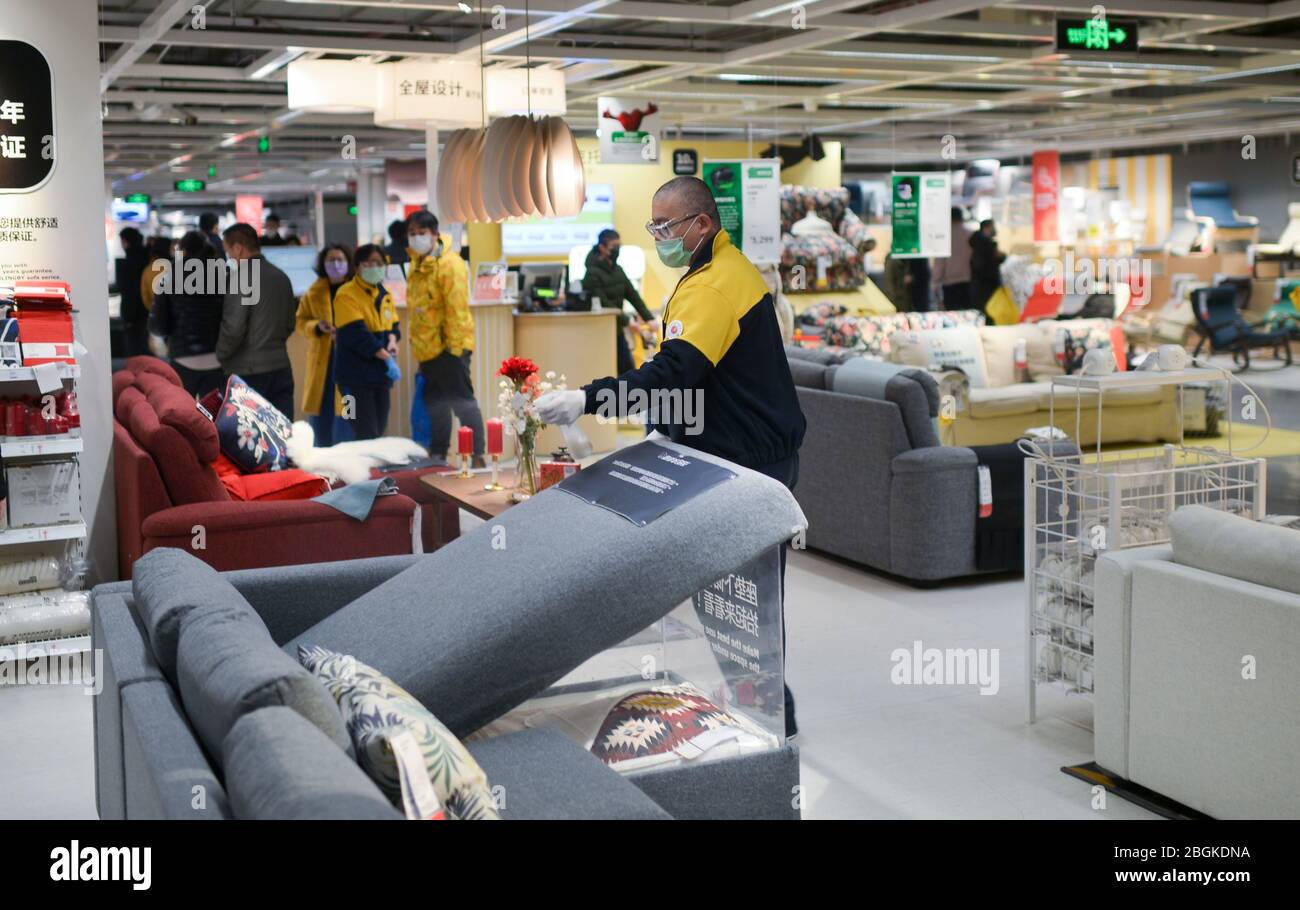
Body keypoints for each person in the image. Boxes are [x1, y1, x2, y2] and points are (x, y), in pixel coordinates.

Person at [534, 176, 806, 738]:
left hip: (747, 466)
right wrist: (668, 430)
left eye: (666, 225)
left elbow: (675, 371)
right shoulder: (710, 273)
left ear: (701, 224)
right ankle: (753, 710)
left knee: (743, 606)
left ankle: (771, 726)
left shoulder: (716, 285)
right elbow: (699, 379)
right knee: (727, 600)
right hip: (728, 455)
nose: (658, 234)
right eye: (652, 225)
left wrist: (588, 398)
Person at [405, 210, 484, 464]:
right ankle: (439, 453)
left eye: (422, 233)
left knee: (463, 404)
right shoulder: (418, 265)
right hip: (427, 350)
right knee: (435, 405)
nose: (417, 238)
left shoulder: (449, 263)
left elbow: (456, 309)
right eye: (412, 233)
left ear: (435, 234)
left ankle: (478, 454)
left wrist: (455, 349)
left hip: (450, 348)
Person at [216, 223, 298, 416]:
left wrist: (221, 355)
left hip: (247, 373)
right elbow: (289, 324)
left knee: (250, 440)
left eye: (228, 253)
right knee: (282, 435)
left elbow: (233, 328)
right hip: (281, 367)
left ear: (238, 248)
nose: (229, 259)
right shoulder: (281, 277)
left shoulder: (239, 278)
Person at [332, 244, 401, 440]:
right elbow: (357, 334)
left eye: (379, 263)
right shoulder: (346, 294)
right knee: (359, 431)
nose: (374, 267)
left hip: (379, 377)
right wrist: (386, 357)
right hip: (352, 379)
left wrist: (393, 341)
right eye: (368, 262)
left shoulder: (384, 294)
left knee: (378, 430)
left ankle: (374, 471)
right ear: (357, 266)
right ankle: (352, 471)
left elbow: (393, 326)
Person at [148, 231, 225, 398]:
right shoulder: (223, 274)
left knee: (184, 417)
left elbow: (158, 325)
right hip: (218, 357)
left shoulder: (169, 276)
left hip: (182, 357)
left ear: (182, 251)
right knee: (214, 417)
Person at [295, 243, 353, 447]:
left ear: (348, 263)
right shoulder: (314, 292)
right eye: (331, 260)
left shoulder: (355, 289)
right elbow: (301, 321)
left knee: (348, 410)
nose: (336, 264)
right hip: (323, 363)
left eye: (340, 259)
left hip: (349, 362)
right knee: (321, 412)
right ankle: (322, 457)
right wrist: (317, 327)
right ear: (322, 263)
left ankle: (347, 452)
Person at [582, 229, 657, 375]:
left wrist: (649, 318)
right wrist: (627, 320)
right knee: (607, 370)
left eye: (619, 246)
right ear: (602, 248)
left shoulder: (618, 270)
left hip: (617, 329)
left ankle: (628, 398)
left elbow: (633, 295)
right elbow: (602, 302)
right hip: (601, 331)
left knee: (627, 370)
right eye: (613, 247)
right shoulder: (591, 274)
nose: (617, 250)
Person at [117, 227, 151, 356]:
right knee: (143, 346)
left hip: (133, 314)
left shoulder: (129, 262)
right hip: (146, 310)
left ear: (125, 241)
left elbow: (130, 292)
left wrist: (128, 316)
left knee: (133, 349)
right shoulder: (146, 258)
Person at [933, 207, 973, 311]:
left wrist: (935, 282)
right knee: (969, 314)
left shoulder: (943, 237)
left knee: (954, 316)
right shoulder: (971, 235)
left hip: (950, 284)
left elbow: (940, 263)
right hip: (969, 281)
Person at [969, 218, 1006, 314]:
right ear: (987, 228)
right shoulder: (985, 245)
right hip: (986, 288)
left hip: (980, 287)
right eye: (993, 227)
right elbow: (985, 266)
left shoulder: (978, 244)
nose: (995, 230)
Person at [140, 235, 172, 315]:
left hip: (156, 313)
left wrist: (153, 309)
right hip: (174, 315)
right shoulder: (175, 268)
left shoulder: (147, 270)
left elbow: (145, 297)